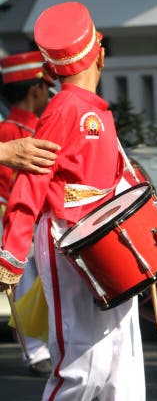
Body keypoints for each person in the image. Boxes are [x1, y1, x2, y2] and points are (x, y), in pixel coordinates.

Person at [0, 1, 145, 400]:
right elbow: (32, 182)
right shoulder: (63, 109)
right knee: (82, 367)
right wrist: (11, 256)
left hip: (108, 241)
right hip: (70, 240)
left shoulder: (93, 109)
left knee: (123, 369)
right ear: (99, 53)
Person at [0, 50, 54, 377]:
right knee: (25, 282)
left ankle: (40, 346)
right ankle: (34, 351)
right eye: (46, 88)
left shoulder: (29, 126)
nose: (48, 95)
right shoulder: (12, 130)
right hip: (15, 216)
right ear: (35, 90)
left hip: (32, 216)